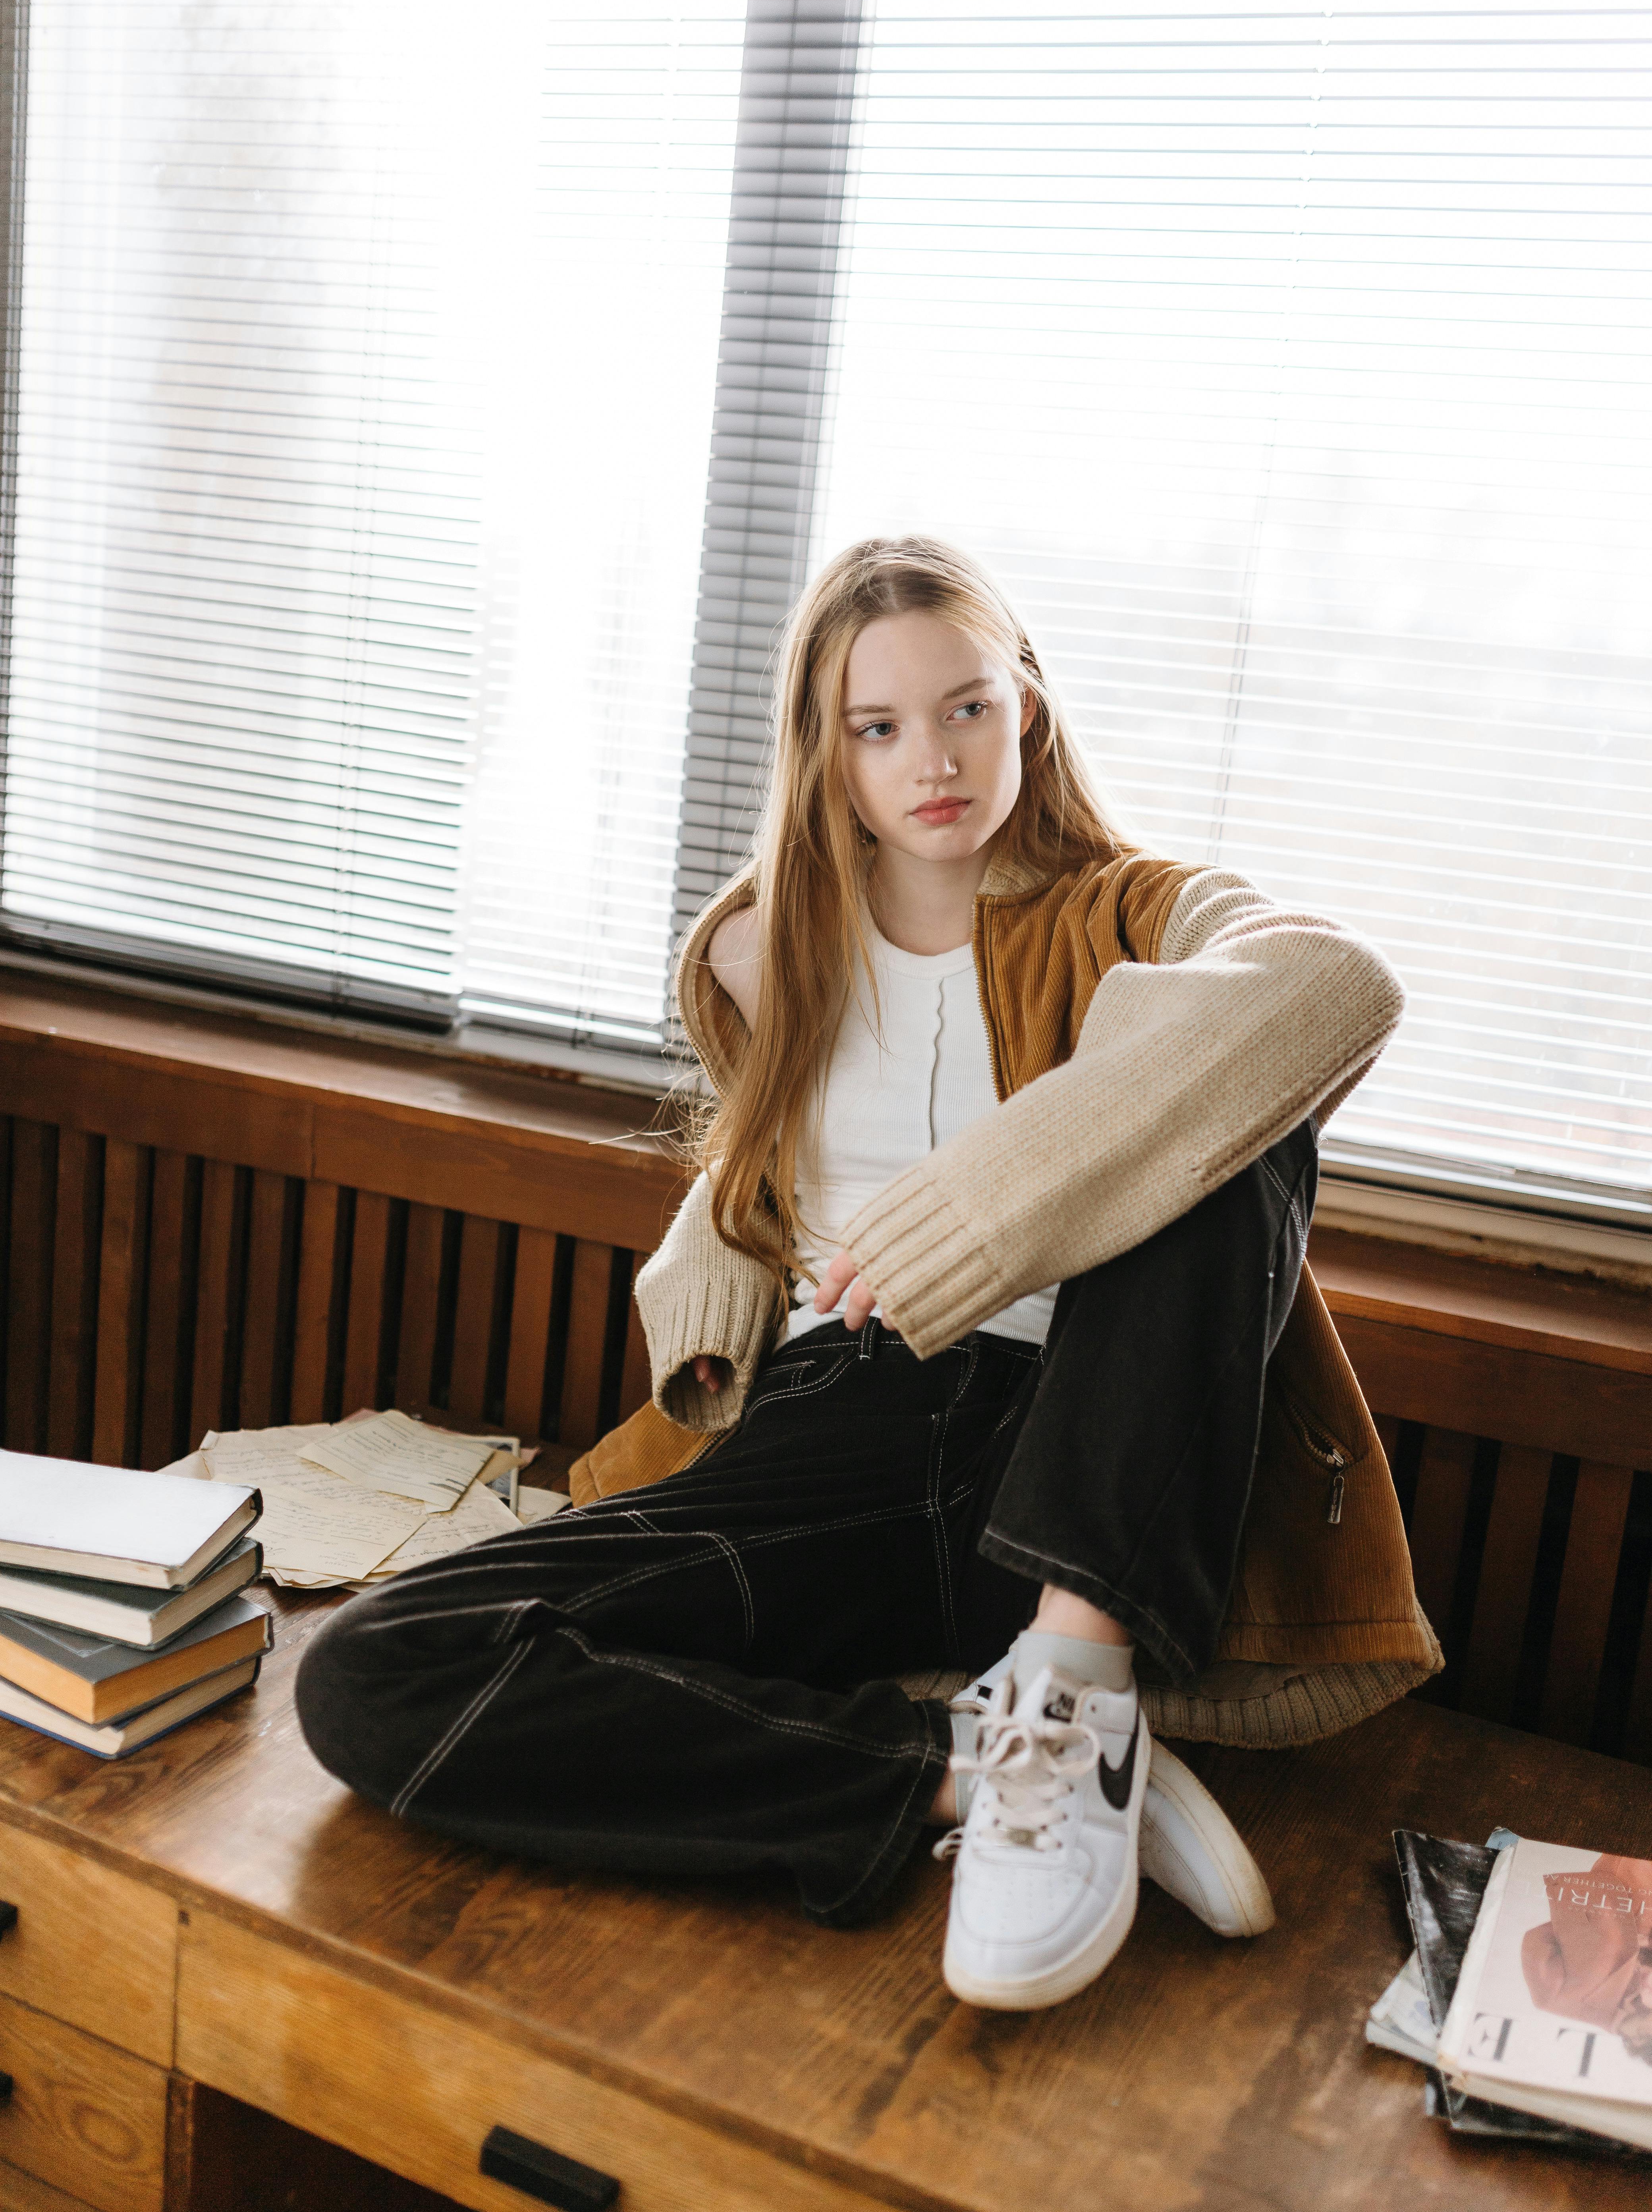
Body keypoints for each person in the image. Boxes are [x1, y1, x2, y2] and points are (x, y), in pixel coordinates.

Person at [296, 536, 1440, 2011]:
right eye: (879, 726)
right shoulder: (773, 948)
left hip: (1087, 1451)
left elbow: (1340, 987)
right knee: (380, 1668)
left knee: (1232, 1126)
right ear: (825, 750)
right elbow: (770, 1173)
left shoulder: (1140, 914)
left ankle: (1074, 1689)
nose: (935, 760)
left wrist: (977, 1202)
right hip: (838, 1433)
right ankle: (978, 1763)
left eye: (967, 707)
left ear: (1025, 703)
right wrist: (720, 1249)